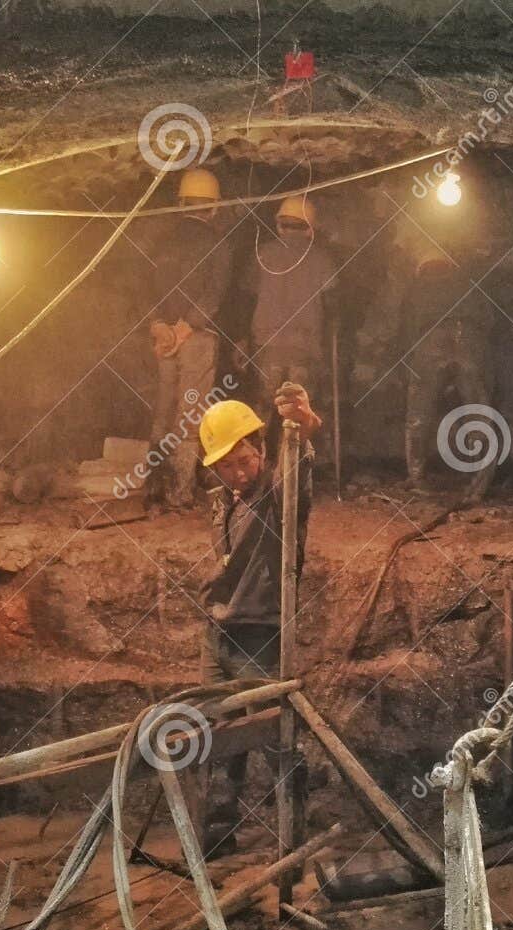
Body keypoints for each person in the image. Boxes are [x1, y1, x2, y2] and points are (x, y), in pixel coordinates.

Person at [197, 386, 321, 854]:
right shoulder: (223, 498)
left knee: (275, 737)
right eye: (225, 465)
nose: (236, 471)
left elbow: (297, 480)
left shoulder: (276, 494)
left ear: (261, 449)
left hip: (259, 636)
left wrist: (303, 432)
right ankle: (218, 831)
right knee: (217, 736)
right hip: (218, 633)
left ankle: (294, 835)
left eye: (243, 459)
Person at [146, 166, 234, 510]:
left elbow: (146, 289)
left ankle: (154, 489)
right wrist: (186, 328)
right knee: (189, 414)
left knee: (164, 409)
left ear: (181, 203)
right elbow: (214, 296)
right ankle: (181, 494)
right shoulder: (218, 244)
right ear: (214, 207)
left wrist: (159, 327)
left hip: (164, 340)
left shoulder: (161, 242)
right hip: (195, 338)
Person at [400, 246, 492, 488]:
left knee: (419, 412)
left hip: (430, 339)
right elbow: (487, 318)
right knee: (477, 409)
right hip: (468, 338)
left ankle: (416, 477)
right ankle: (480, 483)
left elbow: (409, 329)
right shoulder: (468, 284)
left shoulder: (416, 288)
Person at [244, 194, 337, 407]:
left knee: (264, 407)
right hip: (305, 347)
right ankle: (291, 441)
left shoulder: (262, 254)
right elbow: (333, 301)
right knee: (297, 410)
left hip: (267, 345)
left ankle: (259, 440)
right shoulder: (321, 258)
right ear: (310, 228)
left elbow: (247, 297)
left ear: (279, 224)